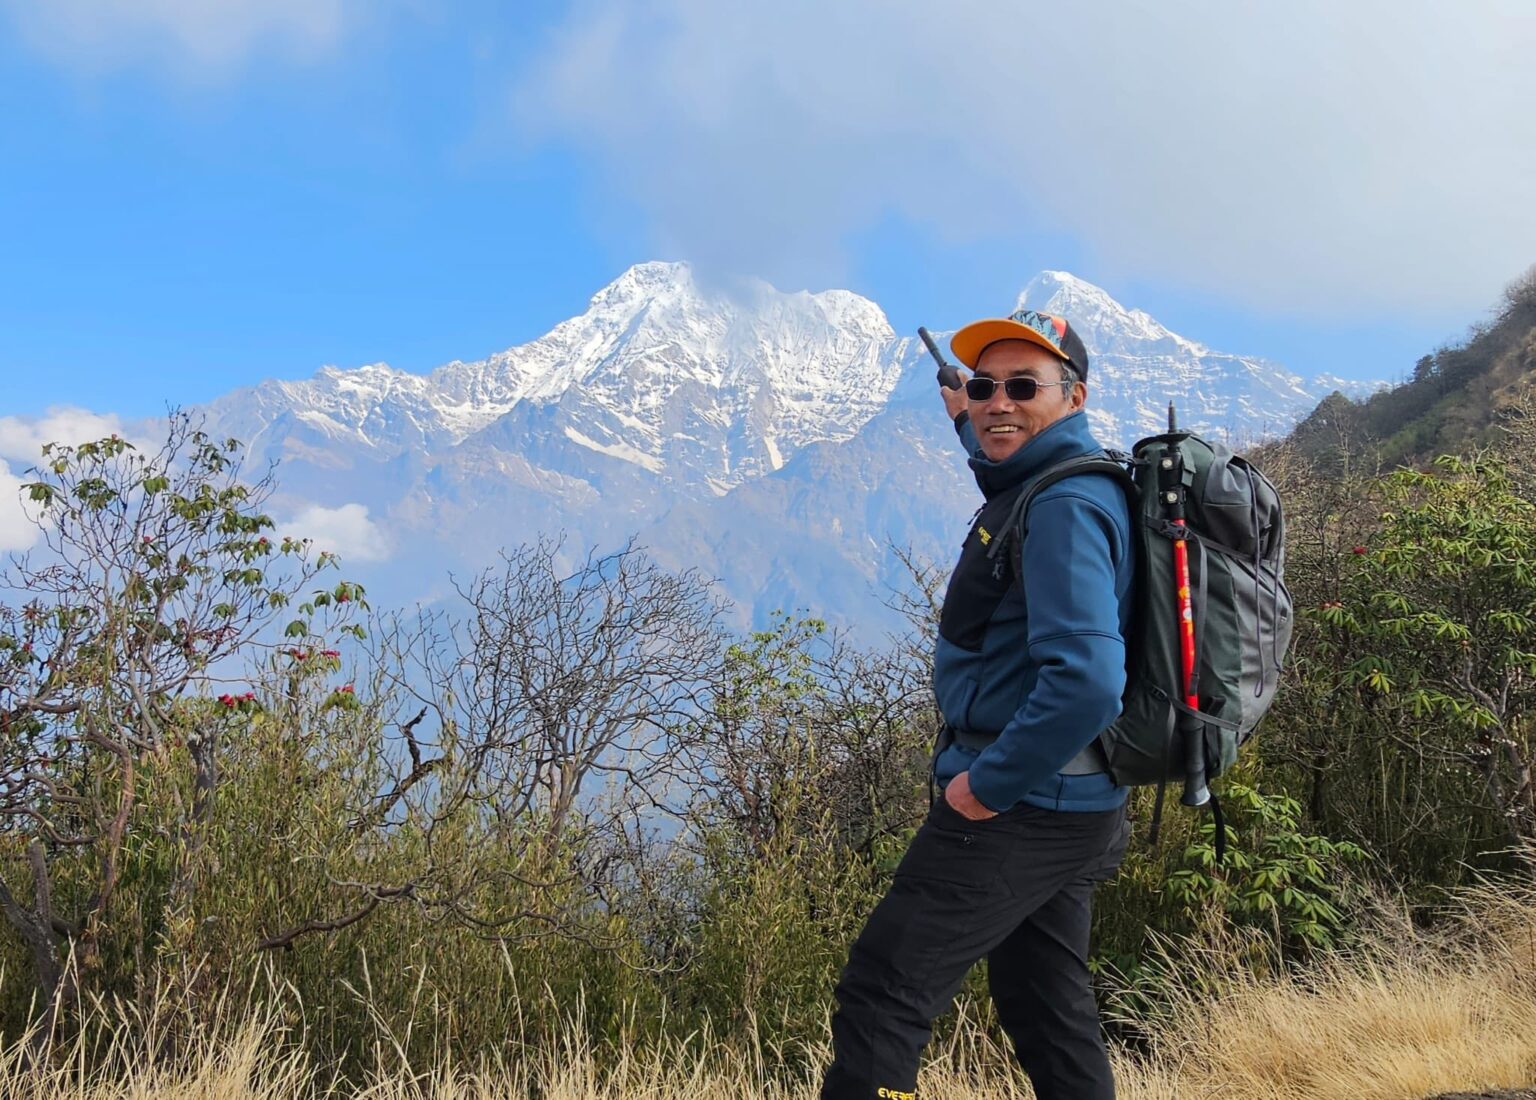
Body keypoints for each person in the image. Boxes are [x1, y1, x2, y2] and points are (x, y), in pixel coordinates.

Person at [820, 308, 1136, 1100]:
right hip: (1078, 797)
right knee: (1044, 1004)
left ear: (1076, 397)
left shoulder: (1065, 508)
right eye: (985, 386)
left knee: (884, 992)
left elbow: (1090, 679)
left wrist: (986, 786)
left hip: (1022, 802)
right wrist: (971, 426)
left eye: (1023, 386)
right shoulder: (1059, 482)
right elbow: (1010, 467)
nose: (998, 401)